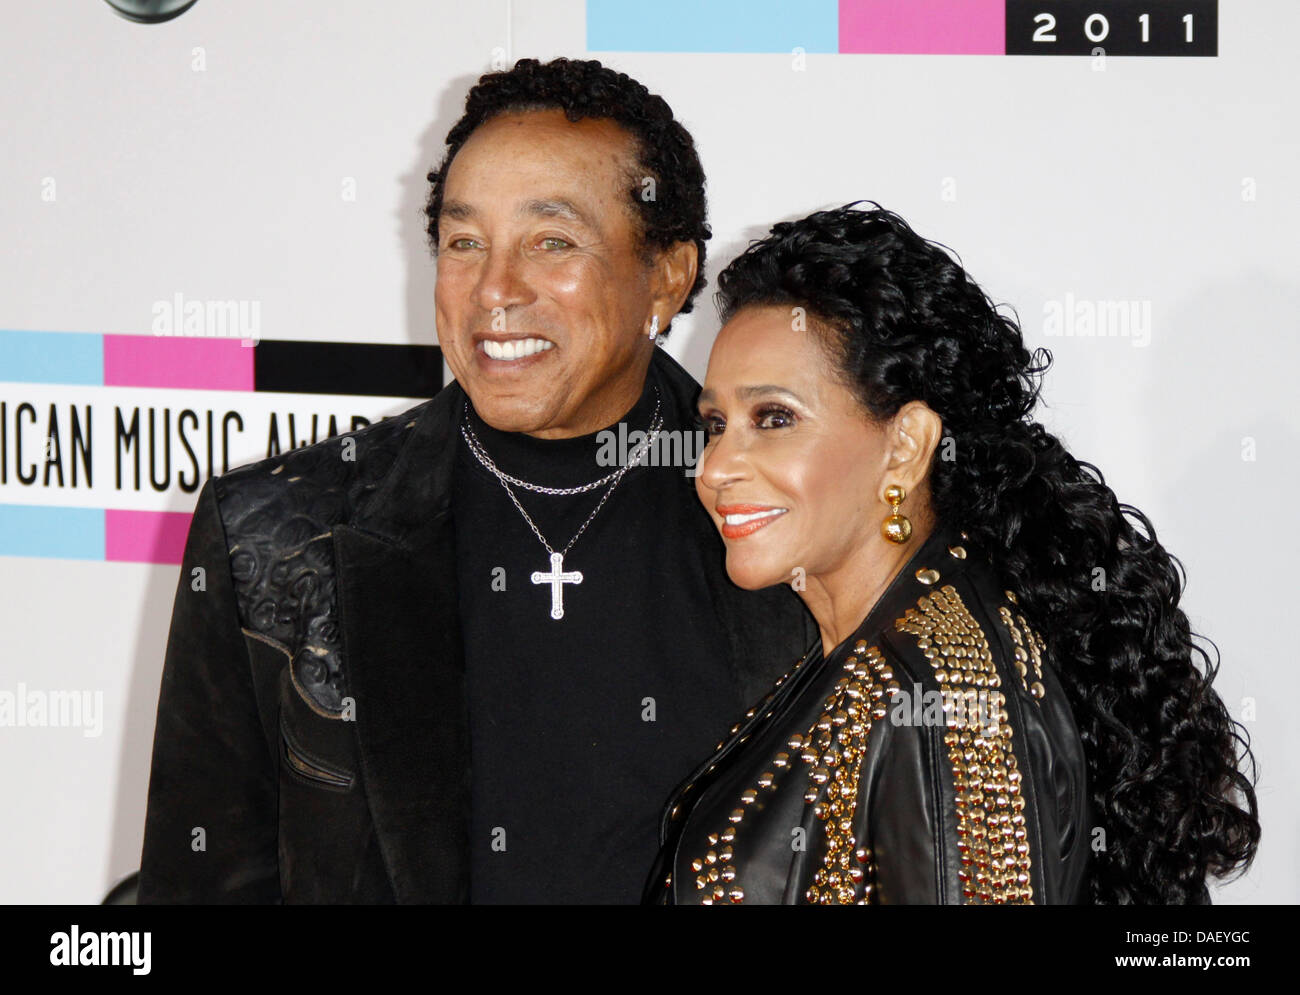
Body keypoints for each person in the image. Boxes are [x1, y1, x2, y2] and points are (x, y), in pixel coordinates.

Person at [137, 57, 814, 904]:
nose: (494, 290)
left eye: (552, 241)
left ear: (668, 275)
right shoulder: (275, 531)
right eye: (464, 242)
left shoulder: (796, 514)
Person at [646, 203, 1261, 904]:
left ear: (905, 445)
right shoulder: (880, 650)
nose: (716, 466)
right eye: (716, 424)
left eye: (774, 418)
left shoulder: (938, 693)